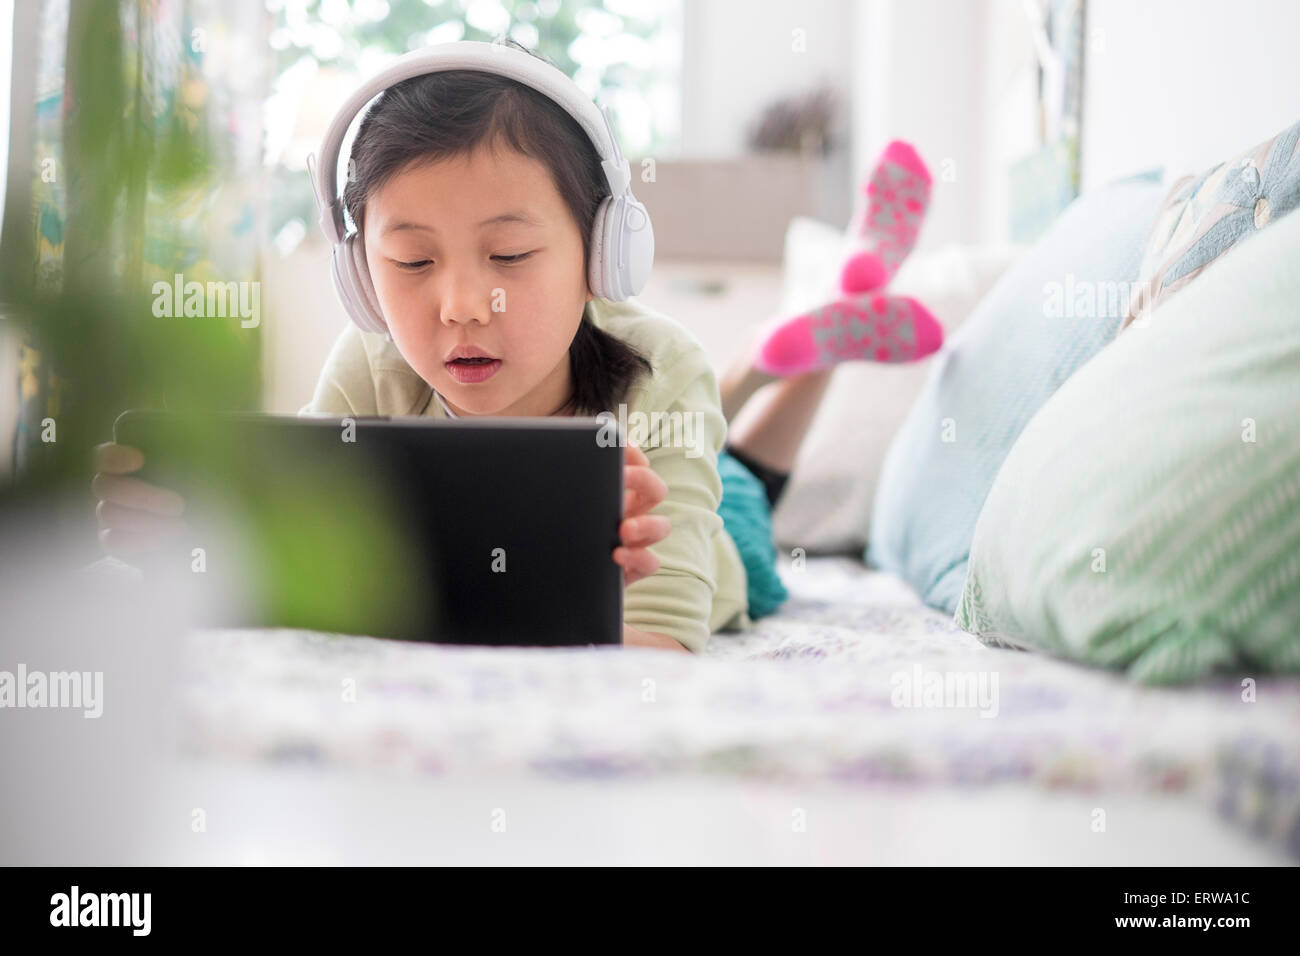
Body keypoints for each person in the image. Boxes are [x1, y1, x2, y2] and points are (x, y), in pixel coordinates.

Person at [92, 38, 940, 654]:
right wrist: (197, 544)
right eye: (412, 261)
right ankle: (797, 342)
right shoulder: (367, 368)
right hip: (671, 424)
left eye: (508, 256)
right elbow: (319, 564)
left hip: (726, 546)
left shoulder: (665, 365)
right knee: (726, 453)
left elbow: (663, 646)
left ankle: (810, 343)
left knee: (746, 494)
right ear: (360, 273)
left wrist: (632, 593)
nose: (462, 304)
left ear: (600, 255)